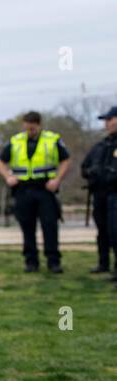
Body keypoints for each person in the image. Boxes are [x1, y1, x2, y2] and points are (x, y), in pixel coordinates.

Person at [0, 111, 71, 273]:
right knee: (27, 227)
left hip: (44, 189)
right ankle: (31, 261)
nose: (30, 131)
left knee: (49, 225)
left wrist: (57, 179)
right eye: (27, 128)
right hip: (23, 190)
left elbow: (66, 159)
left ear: (39, 125)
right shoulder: (16, 141)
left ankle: (53, 261)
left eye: (33, 128)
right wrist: (8, 176)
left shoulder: (52, 140)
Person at [80, 106, 117, 279]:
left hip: (115, 193)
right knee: (103, 230)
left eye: (110, 119)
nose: (107, 123)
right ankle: (104, 263)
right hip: (100, 194)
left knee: (115, 231)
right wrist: (91, 172)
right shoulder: (101, 145)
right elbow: (85, 166)